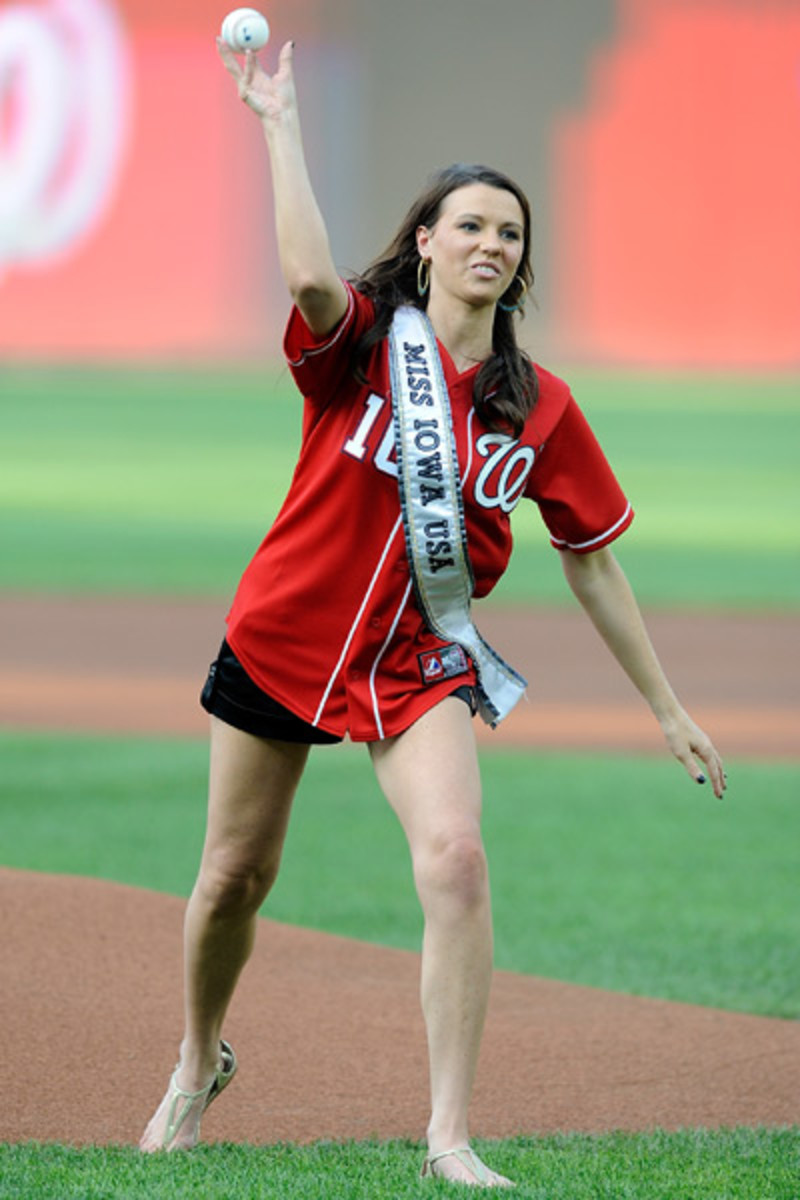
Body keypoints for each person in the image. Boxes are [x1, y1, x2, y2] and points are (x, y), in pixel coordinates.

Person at [140, 35, 726, 1187]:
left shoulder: (538, 406)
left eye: (508, 232)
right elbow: (309, 278)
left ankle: (447, 1136)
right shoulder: (360, 341)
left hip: (417, 661)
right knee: (231, 880)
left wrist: (665, 708)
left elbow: (592, 562)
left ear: (520, 262)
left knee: (456, 858)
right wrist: (277, 123)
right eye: (467, 224)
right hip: (284, 636)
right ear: (424, 241)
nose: (489, 244)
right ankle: (196, 1061)